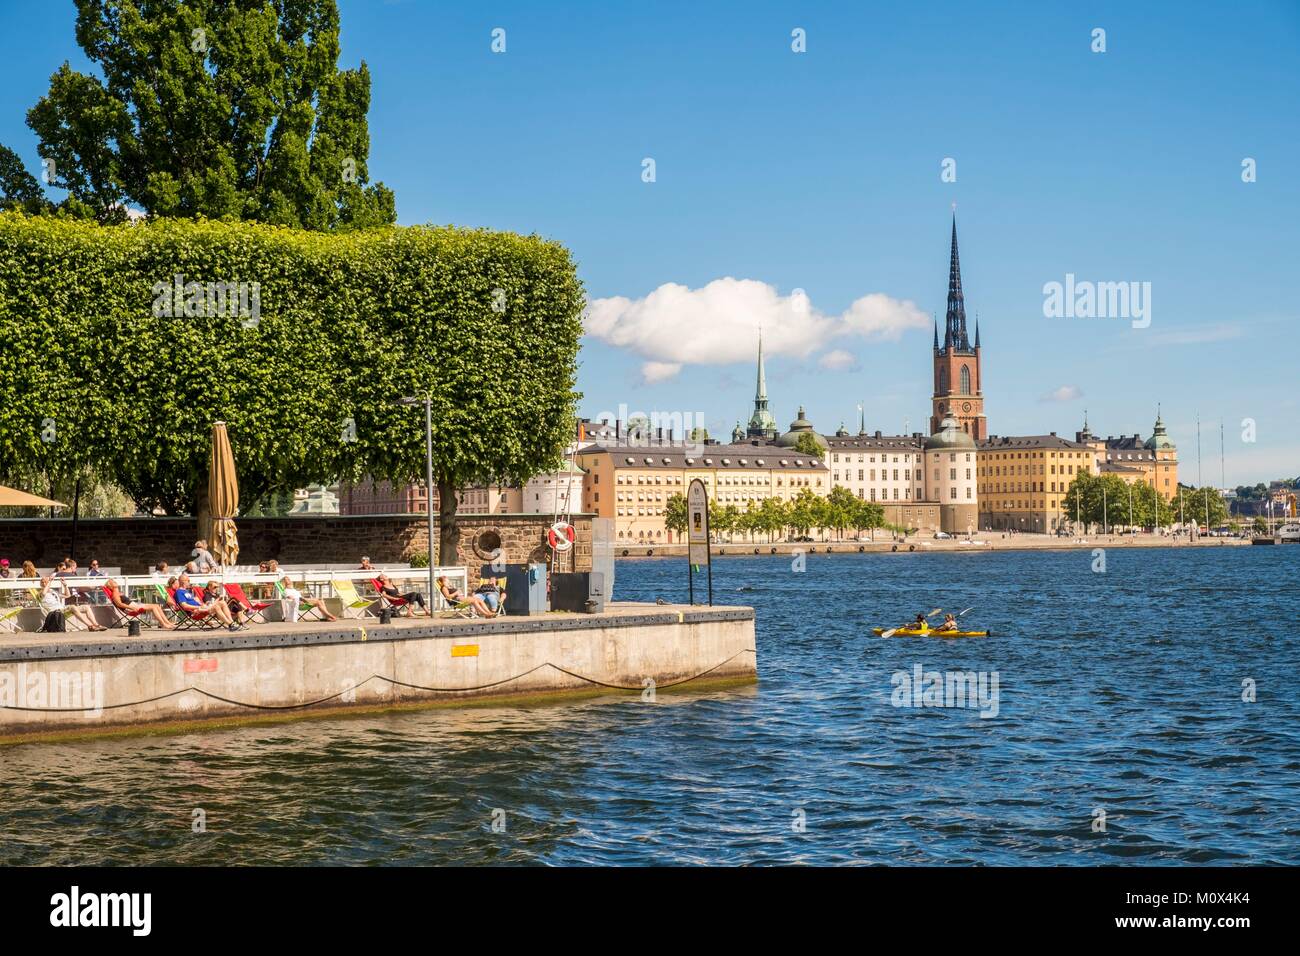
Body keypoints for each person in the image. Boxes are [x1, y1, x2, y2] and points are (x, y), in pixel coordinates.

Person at [103, 578, 175, 630]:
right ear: (110, 585)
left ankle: (167, 622)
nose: (115, 581)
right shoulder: (115, 594)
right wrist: (132, 608)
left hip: (134, 605)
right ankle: (163, 624)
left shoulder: (118, 592)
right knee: (153, 607)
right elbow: (119, 604)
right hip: (131, 608)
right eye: (113, 581)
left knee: (156, 606)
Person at [40, 576, 106, 631]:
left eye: (45, 582)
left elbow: (68, 595)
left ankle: (96, 624)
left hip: (63, 609)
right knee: (72, 607)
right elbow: (43, 593)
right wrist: (50, 582)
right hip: (55, 612)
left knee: (86, 607)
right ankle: (90, 626)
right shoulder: (40, 593)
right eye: (42, 582)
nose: (44, 583)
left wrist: (65, 585)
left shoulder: (53, 592)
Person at [173, 573, 237, 629]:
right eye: (188, 580)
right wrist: (198, 607)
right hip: (195, 613)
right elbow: (184, 606)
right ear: (183, 581)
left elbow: (196, 601)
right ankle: (230, 624)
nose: (189, 582)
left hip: (202, 608)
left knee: (222, 602)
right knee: (216, 607)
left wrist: (202, 604)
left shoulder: (187, 591)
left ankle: (232, 622)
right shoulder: (179, 592)